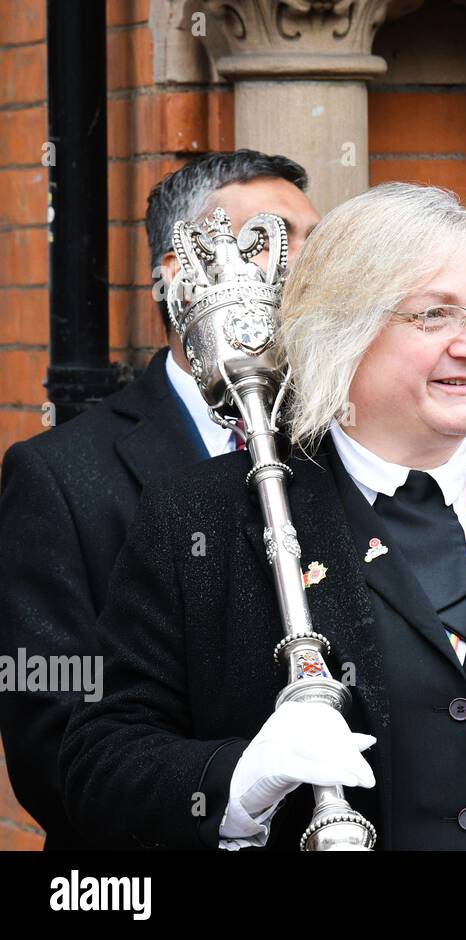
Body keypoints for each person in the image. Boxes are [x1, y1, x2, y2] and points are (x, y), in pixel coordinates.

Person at [59, 182, 466, 851]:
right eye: (434, 316)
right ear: (341, 330)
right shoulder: (206, 518)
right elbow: (99, 765)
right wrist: (244, 778)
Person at [0, 150, 320, 850]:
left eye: (312, 245)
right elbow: (53, 740)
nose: (306, 271)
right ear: (186, 276)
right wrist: (238, 793)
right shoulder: (60, 476)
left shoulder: (332, 450)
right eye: (278, 241)